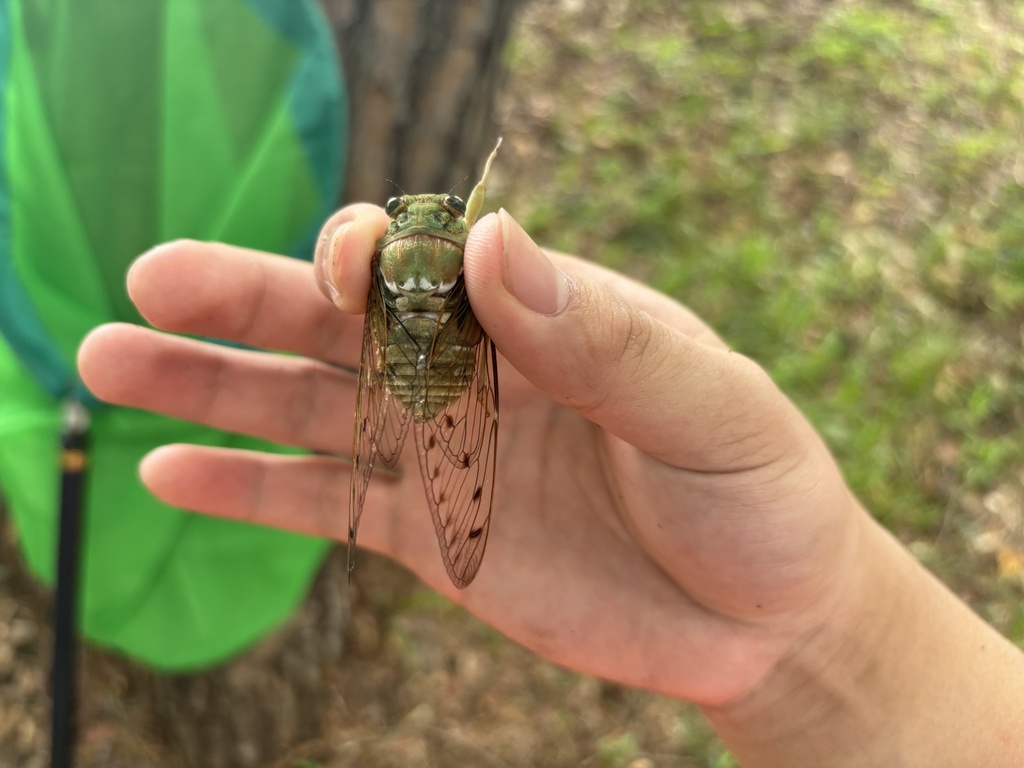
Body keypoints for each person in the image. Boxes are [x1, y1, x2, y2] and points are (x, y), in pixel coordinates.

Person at [77, 205, 1024, 766]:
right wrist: (818, 628)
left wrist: (814, 628)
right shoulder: (451, 264)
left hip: (415, 373)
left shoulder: (428, 267)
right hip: (450, 376)